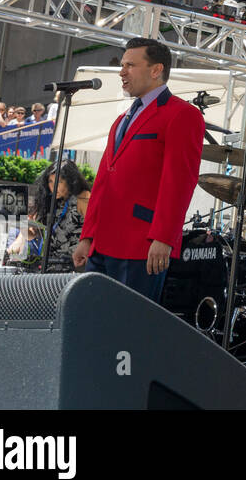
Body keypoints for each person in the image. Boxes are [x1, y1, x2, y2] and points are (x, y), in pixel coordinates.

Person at [72, 38, 204, 302]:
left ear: (156, 70)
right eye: (122, 65)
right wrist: (87, 236)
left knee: (129, 330)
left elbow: (179, 182)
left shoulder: (182, 114)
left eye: (130, 65)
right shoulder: (122, 120)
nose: (122, 71)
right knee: (93, 324)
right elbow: (101, 184)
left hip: (141, 244)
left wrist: (164, 238)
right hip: (101, 246)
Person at [9, 161, 91, 271]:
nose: (53, 186)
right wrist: (22, 235)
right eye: (50, 181)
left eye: (59, 182)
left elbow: (94, 228)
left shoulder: (83, 197)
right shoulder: (50, 201)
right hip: (50, 265)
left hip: (74, 265)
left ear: (71, 181)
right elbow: (32, 233)